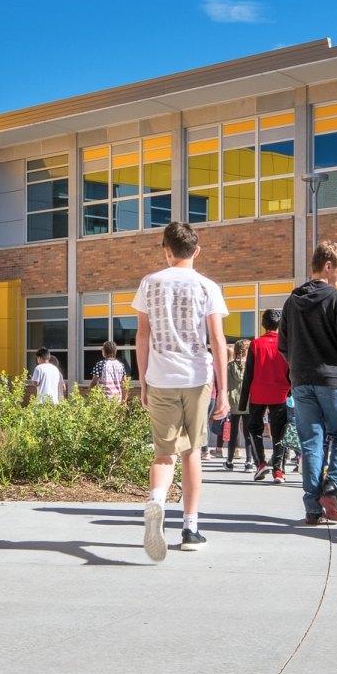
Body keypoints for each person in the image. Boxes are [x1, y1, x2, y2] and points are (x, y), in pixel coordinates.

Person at [133, 221, 229, 557]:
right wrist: (225, 389)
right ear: (196, 251)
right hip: (197, 378)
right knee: (193, 452)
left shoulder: (150, 282)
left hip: (160, 378)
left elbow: (142, 336)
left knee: (164, 454)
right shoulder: (207, 286)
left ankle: (157, 501)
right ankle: (190, 528)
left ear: (166, 250)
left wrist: (142, 381)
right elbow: (217, 340)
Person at [279, 241, 337, 526]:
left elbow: (283, 345)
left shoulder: (291, 302)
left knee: (311, 442)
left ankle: (312, 508)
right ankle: (332, 487)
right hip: (333, 379)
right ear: (328, 266)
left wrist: (298, 368)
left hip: (301, 380)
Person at [241, 309, 291, 483]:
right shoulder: (285, 344)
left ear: (263, 324)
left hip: (258, 392)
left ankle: (260, 463)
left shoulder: (255, 344)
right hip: (280, 392)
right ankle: (278, 470)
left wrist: (242, 402)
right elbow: (291, 370)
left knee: (254, 429)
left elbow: (248, 374)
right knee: (280, 432)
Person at [224, 338, 250, 469]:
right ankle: (249, 461)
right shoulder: (252, 365)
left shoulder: (230, 366)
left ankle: (229, 460)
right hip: (249, 400)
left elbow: (227, 384)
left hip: (234, 400)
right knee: (248, 431)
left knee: (234, 430)